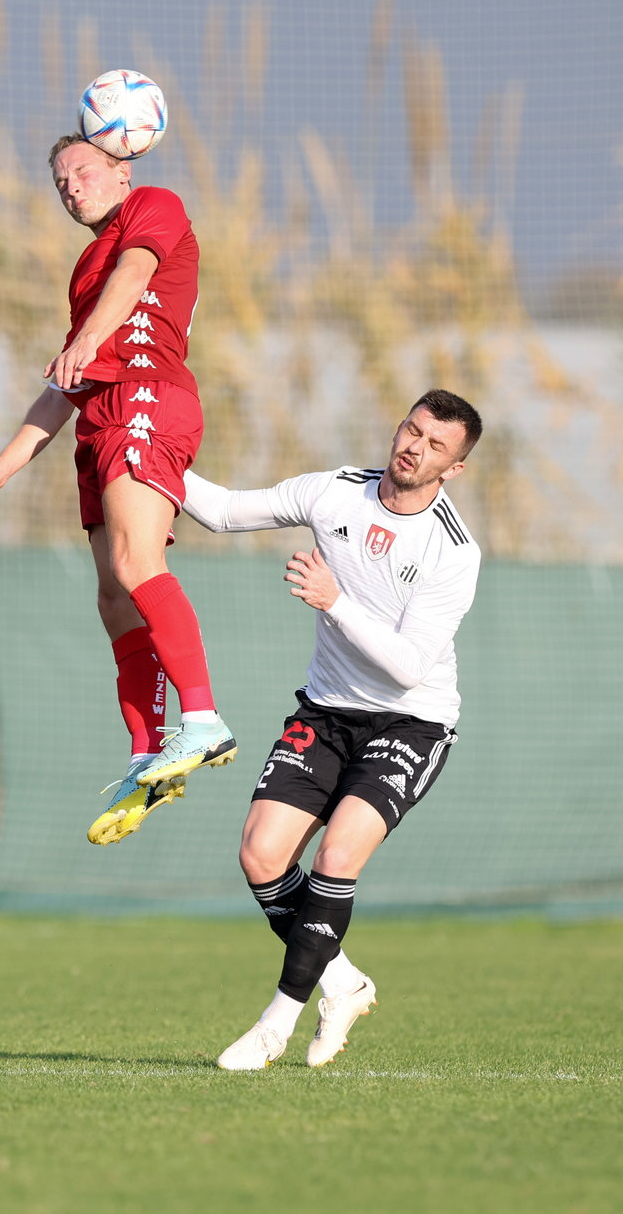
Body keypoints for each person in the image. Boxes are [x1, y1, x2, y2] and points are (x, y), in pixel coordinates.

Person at [0, 134, 236, 845]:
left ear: (122, 168)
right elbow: (64, 385)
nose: (71, 186)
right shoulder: (84, 268)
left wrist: (86, 341)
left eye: (82, 171)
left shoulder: (154, 207)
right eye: (60, 181)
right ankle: (148, 753)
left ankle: (204, 720)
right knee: (112, 596)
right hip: (99, 418)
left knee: (139, 566)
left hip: (146, 395)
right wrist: (2, 468)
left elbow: (136, 274)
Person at [180, 388, 483, 1070]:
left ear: (454, 467)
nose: (415, 447)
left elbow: (409, 665)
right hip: (326, 711)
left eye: (436, 446)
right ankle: (343, 982)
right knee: (261, 855)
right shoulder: (335, 491)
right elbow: (224, 512)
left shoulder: (454, 551)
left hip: (411, 720)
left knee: (336, 859)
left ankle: (274, 1025)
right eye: (413, 430)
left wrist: (335, 600)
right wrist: (146, 453)